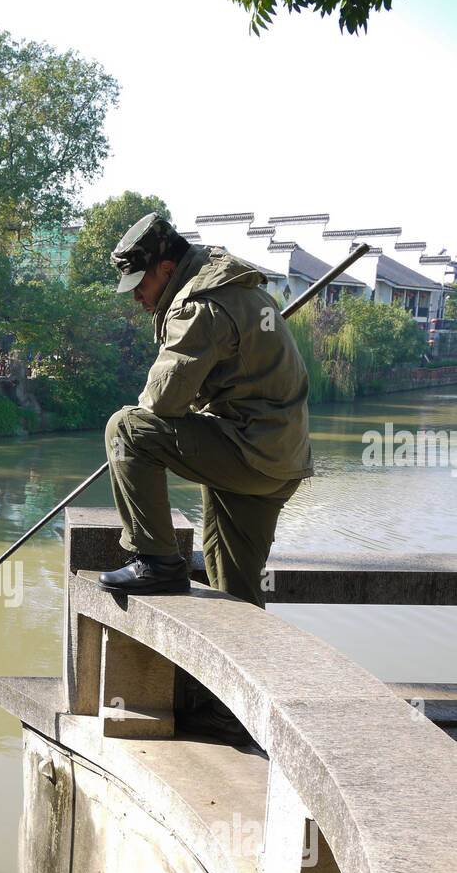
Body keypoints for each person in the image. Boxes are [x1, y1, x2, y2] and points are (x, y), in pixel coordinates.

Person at [99, 212, 314, 740]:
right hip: (279, 459)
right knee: (234, 587)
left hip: (245, 448)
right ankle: (230, 711)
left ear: (167, 266)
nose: (137, 298)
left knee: (126, 429)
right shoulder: (234, 286)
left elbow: (161, 402)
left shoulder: (199, 303)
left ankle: (155, 560)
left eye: (141, 283)